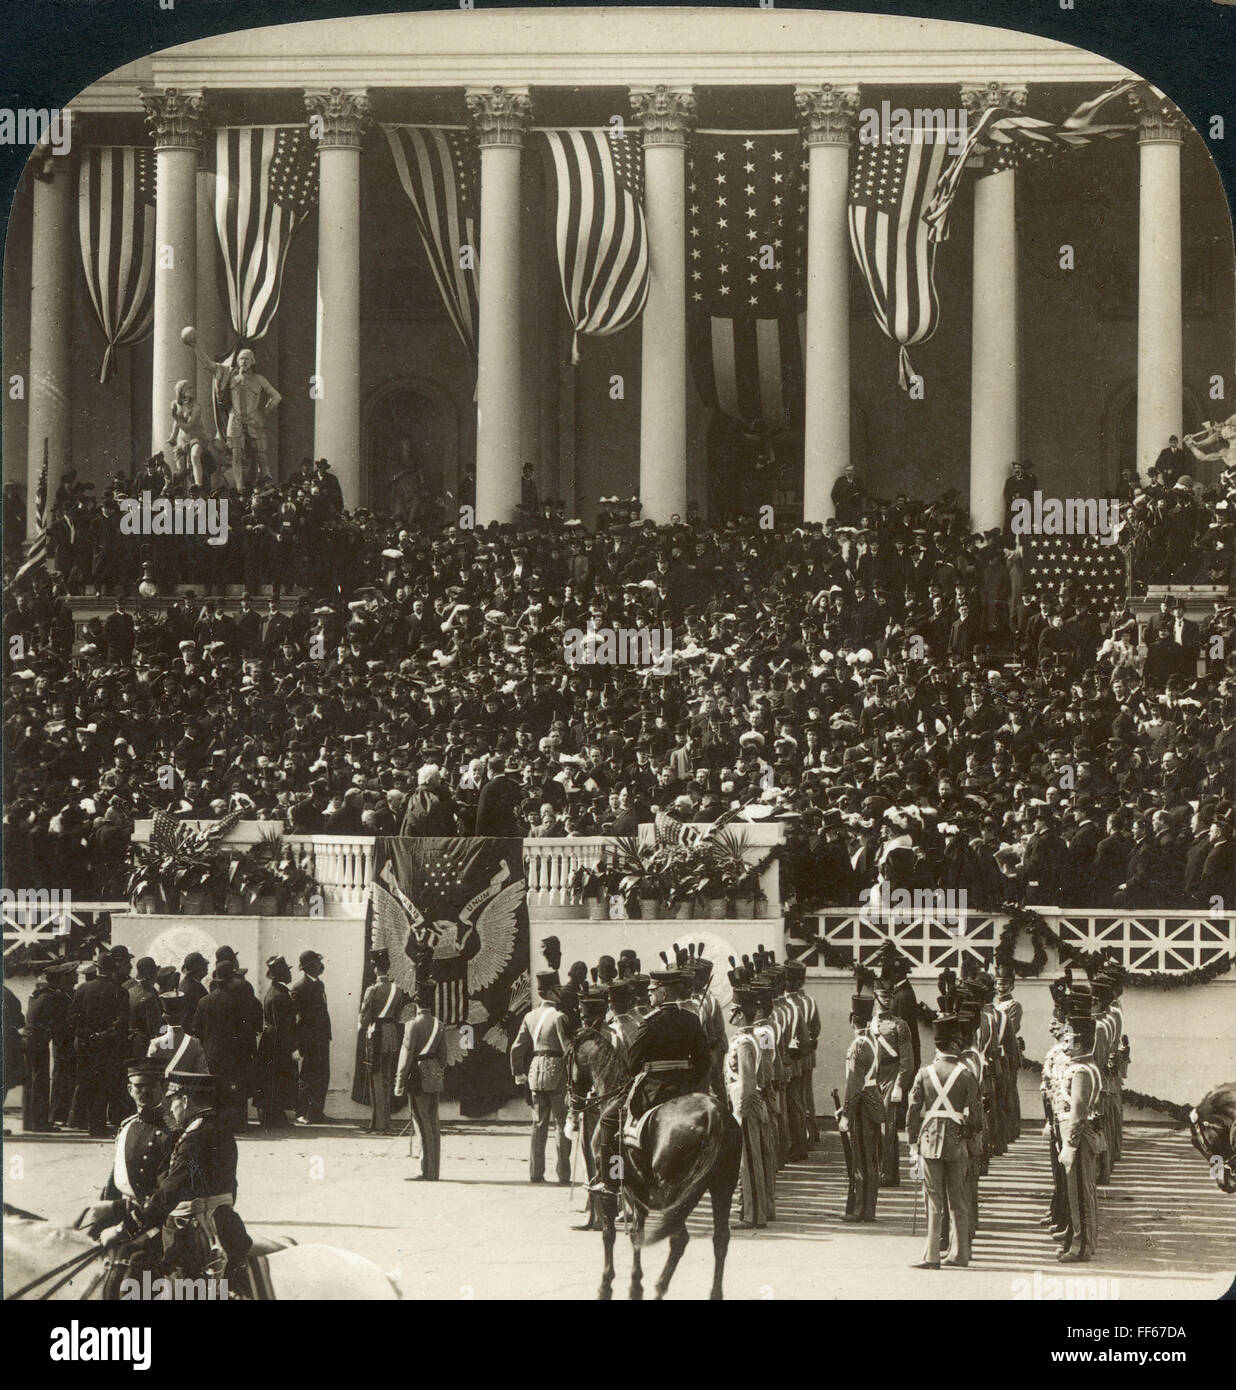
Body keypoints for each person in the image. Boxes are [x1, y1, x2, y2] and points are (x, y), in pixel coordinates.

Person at [592, 952, 712, 1198]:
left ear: (664, 993)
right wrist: (688, 1080)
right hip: (686, 1090)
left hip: (653, 1090)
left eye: (654, 990)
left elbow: (633, 1064)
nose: (650, 994)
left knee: (608, 1121)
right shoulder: (691, 1019)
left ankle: (611, 1182)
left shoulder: (649, 1022)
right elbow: (703, 1062)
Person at [130, 1067, 254, 1288]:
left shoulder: (194, 1138)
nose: (172, 1108)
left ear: (185, 1101)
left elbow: (172, 1189)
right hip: (225, 1222)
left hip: (194, 1233)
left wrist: (136, 1222)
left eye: (173, 1101)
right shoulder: (220, 1129)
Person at [85, 1058, 177, 1299]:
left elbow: (164, 1197)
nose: (143, 1091)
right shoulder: (126, 1126)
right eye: (138, 1086)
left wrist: (122, 1225)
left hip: (154, 1223)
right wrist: (105, 1210)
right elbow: (116, 1180)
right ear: (129, 1089)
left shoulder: (170, 1133)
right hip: (126, 1211)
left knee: (131, 1264)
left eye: (150, 1086)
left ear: (164, 1087)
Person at [906, 1009, 981, 1270]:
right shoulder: (966, 1073)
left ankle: (932, 1255)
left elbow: (913, 1111)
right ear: (954, 1043)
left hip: (929, 1140)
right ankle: (960, 1253)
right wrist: (966, 1135)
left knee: (934, 1200)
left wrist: (913, 1143)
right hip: (956, 1141)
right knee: (958, 1200)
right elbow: (976, 1115)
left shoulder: (924, 1073)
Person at [1054, 994, 1106, 1263]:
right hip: (1073, 1134)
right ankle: (1076, 1241)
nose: (1065, 1044)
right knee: (1075, 1193)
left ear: (1082, 1041)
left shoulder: (1083, 1070)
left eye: (1070, 1040)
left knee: (1080, 1196)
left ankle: (1081, 1247)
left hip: (1079, 1137)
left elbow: (1078, 1113)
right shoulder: (1080, 1066)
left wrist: (1070, 1146)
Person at [510, 970, 572, 1184]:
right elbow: (568, 1050)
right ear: (552, 991)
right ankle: (564, 1174)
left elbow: (516, 1049)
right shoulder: (560, 1017)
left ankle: (536, 1173)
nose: (561, 992)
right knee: (562, 1125)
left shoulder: (530, 1016)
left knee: (538, 1124)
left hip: (535, 1072)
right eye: (559, 989)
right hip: (557, 1073)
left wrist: (519, 1073)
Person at [192, 960, 260, 1133]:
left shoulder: (204, 1001)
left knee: (217, 1088)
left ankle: (217, 1124)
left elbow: (197, 1030)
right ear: (231, 978)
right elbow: (248, 1028)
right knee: (236, 1089)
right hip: (236, 1053)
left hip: (212, 1053)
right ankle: (238, 1123)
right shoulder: (240, 1001)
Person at [68, 947, 129, 1137]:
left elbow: (72, 1018)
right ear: (113, 969)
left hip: (86, 1045)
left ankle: (88, 1122)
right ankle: (98, 1124)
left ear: (98, 967)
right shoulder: (120, 992)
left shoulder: (83, 989)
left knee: (87, 1082)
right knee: (104, 1084)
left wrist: (88, 1034)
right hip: (107, 1047)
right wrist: (104, 1035)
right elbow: (121, 1023)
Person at [725, 981, 772, 1229]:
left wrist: (741, 1111)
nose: (731, 1014)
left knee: (749, 1162)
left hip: (744, 1105)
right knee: (749, 1160)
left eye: (734, 1010)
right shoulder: (750, 1038)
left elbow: (747, 1080)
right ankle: (750, 1210)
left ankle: (753, 1215)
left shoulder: (744, 1043)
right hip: (744, 1103)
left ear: (741, 1013)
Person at [395, 981, 447, 1181]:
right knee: (434, 1122)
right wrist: (434, 1070)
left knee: (422, 1122)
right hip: (435, 1075)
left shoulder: (412, 1025)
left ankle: (425, 1170)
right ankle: (434, 1170)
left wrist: (399, 1083)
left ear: (416, 1004)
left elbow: (406, 1057)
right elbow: (443, 1057)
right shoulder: (439, 1024)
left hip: (418, 1076)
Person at [870, 962, 915, 1186]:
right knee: (872, 1126)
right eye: (883, 996)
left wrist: (900, 1085)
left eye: (890, 996)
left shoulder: (900, 1026)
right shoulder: (869, 1026)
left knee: (887, 1126)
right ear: (875, 996)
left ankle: (888, 1173)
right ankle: (877, 1169)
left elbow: (907, 1060)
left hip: (891, 1077)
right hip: (872, 1080)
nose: (887, 1000)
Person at [839, 992, 882, 1223]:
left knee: (859, 1158)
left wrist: (845, 1115)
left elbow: (853, 1085)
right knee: (870, 1158)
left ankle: (858, 1209)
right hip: (874, 1101)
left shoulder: (857, 1046)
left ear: (852, 1018)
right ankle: (869, 1209)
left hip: (862, 1106)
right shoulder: (874, 1041)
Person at [21, 961, 76, 1132]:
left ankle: (29, 1122)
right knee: (41, 1081)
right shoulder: (52, 997)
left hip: (29, 1039)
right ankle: (40, 1123)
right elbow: (58, 1024)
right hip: (38, 1041)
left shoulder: (38, 994)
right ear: (59, 980)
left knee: (31, 1081)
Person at [357, 950, 407, 1135]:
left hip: (376, 1034)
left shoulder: (372, 990)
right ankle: (385, 1121)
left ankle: (379, 1124)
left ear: (375, 968)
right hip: (391, 1034)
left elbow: (364, 1019)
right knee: (387, 1077)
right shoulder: (397, 989)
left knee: (376, 1078)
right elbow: (398, 1014)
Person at [216, 348, 281, 488]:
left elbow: (276, 397)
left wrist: (263, 412)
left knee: (261, 453)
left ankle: (267, 483)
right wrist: (195, 347)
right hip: (235, 420)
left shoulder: (259, 379)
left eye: (247, 358)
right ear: (237, 361)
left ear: (253, 361)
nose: (244, 361)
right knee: (236, 454)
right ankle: (240, 488)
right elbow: (210, 366)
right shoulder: (232, 378)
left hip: (254, 421)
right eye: (241, 358)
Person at [254, 956, 298, 1130]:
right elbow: (284, 1025)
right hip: (277, 1044)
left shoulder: (275, 992)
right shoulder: (280, 996)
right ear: (281, 974)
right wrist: (292, 1047)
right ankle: (274, 1116)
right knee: (277, 1078)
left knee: (272, 1079)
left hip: (271, 1041)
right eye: (287, 970)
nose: (289, 973)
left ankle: (273, 1114)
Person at [291, 949, 332, 1125]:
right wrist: (299, 1043)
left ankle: (316, 1111)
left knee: (322, 1074)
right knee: (307, 1075)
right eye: (316, 963)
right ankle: (302, 1112)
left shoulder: (319, 985)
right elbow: (297, 1018)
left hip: (322, 1038)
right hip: (309, 1040)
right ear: (309, 967)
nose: (320, 965)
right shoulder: (299, 988)